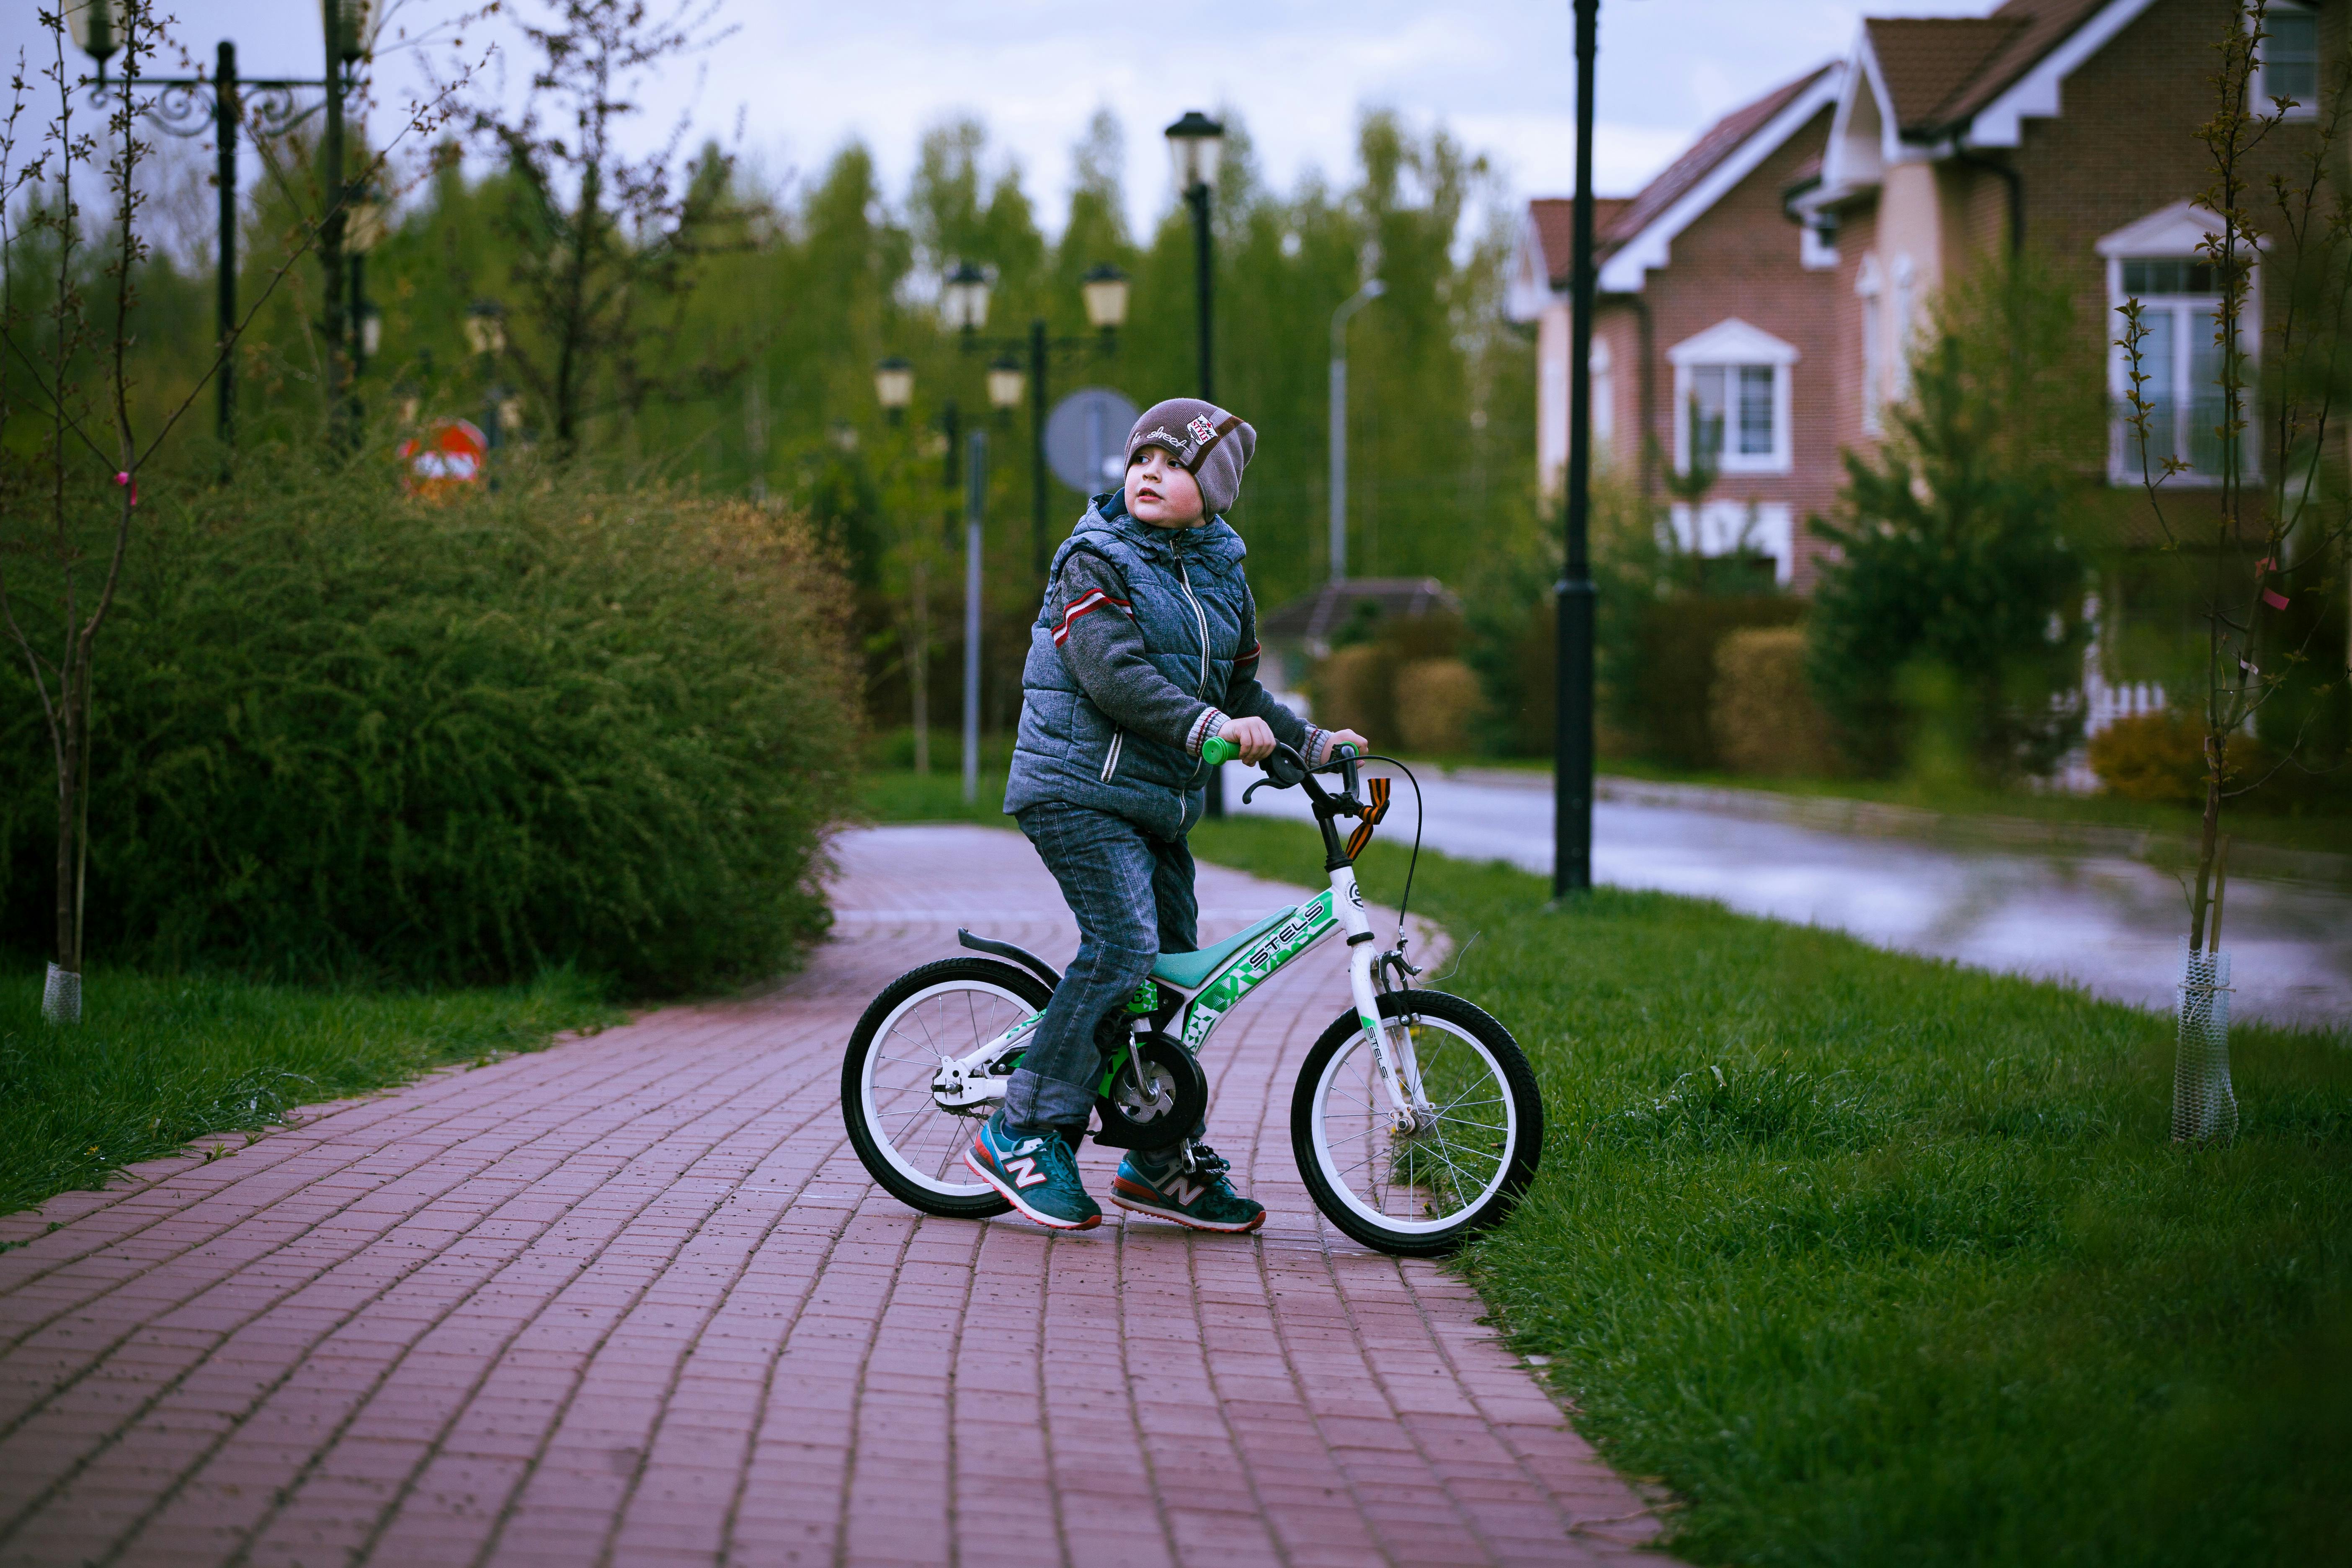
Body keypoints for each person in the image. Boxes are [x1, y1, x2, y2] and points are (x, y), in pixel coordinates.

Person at [967, 398, 1367, 1233]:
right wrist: (1211, 731)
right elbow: (1112, 673)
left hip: (1156, 804)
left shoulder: (1224, 573)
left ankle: (1154, 1153)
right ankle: (1023, 1131)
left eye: (1176, 463)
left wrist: (1316, 746)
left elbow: (1242, 690)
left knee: (1170, 972)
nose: (1151, 472)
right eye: (1143, 457)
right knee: (1123, 948)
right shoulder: (1095, 557)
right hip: (1076, 788)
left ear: (1214, 491)